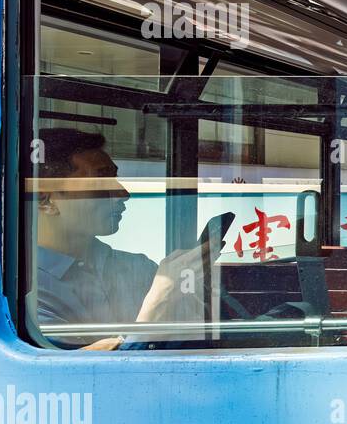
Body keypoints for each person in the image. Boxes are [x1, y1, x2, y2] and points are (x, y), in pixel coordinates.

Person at [29, 128, 221, 349]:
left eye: (114, 178)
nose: (123, 194)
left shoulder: (138, 267)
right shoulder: (27, 293)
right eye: (101, 182)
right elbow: (79, 378)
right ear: (45, 200)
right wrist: (161, 301)